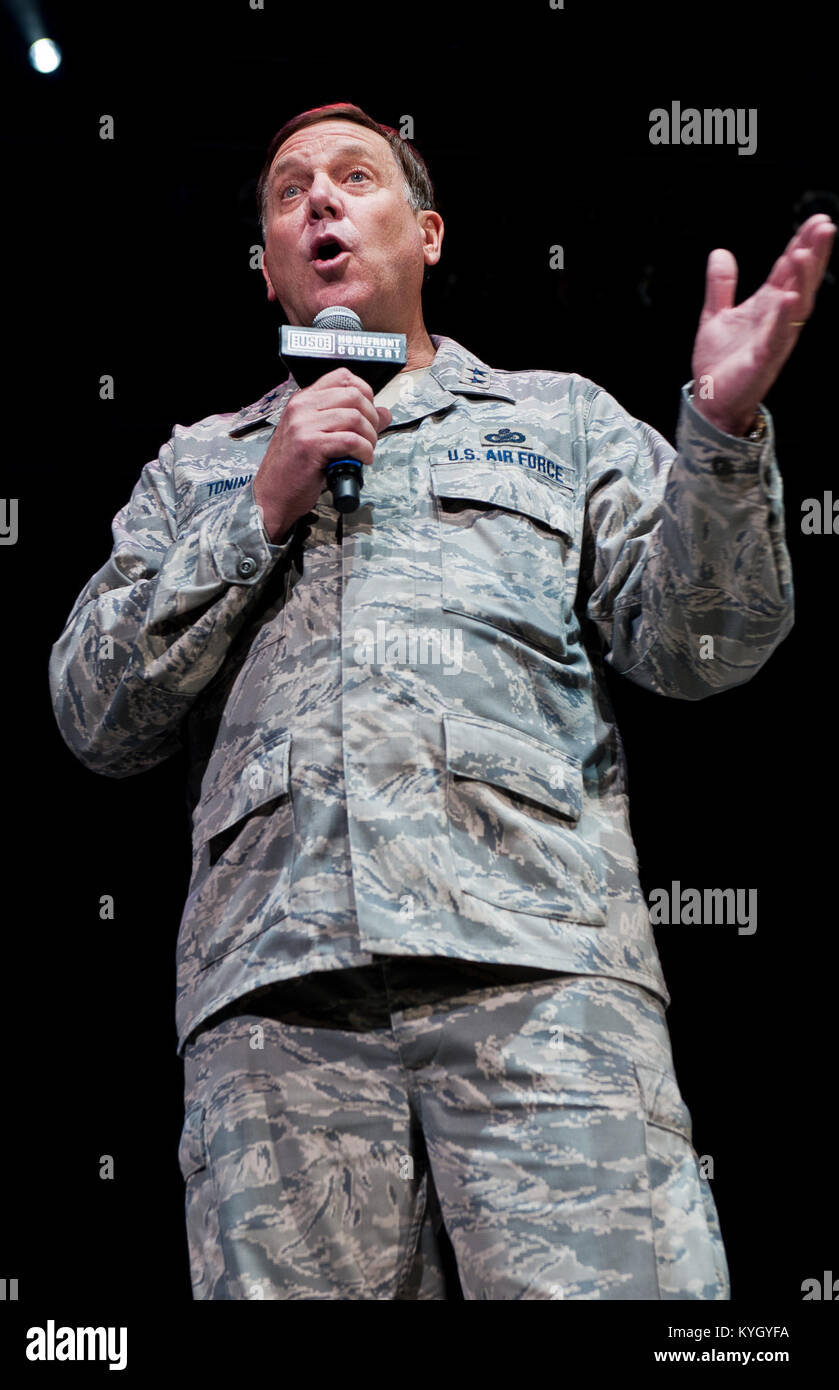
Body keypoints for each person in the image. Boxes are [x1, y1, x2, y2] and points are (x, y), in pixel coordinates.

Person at [48, 102, 834, 1300]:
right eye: (287, 188)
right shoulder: (196, 466)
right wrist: (257, 508)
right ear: (264, 265)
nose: (317, 198)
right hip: (276, 1014)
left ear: (424, 232)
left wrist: (719, 440)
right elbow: (93, 715)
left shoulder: (556, 421)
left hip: (543, 984)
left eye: (353, 177)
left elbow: (705, 642)